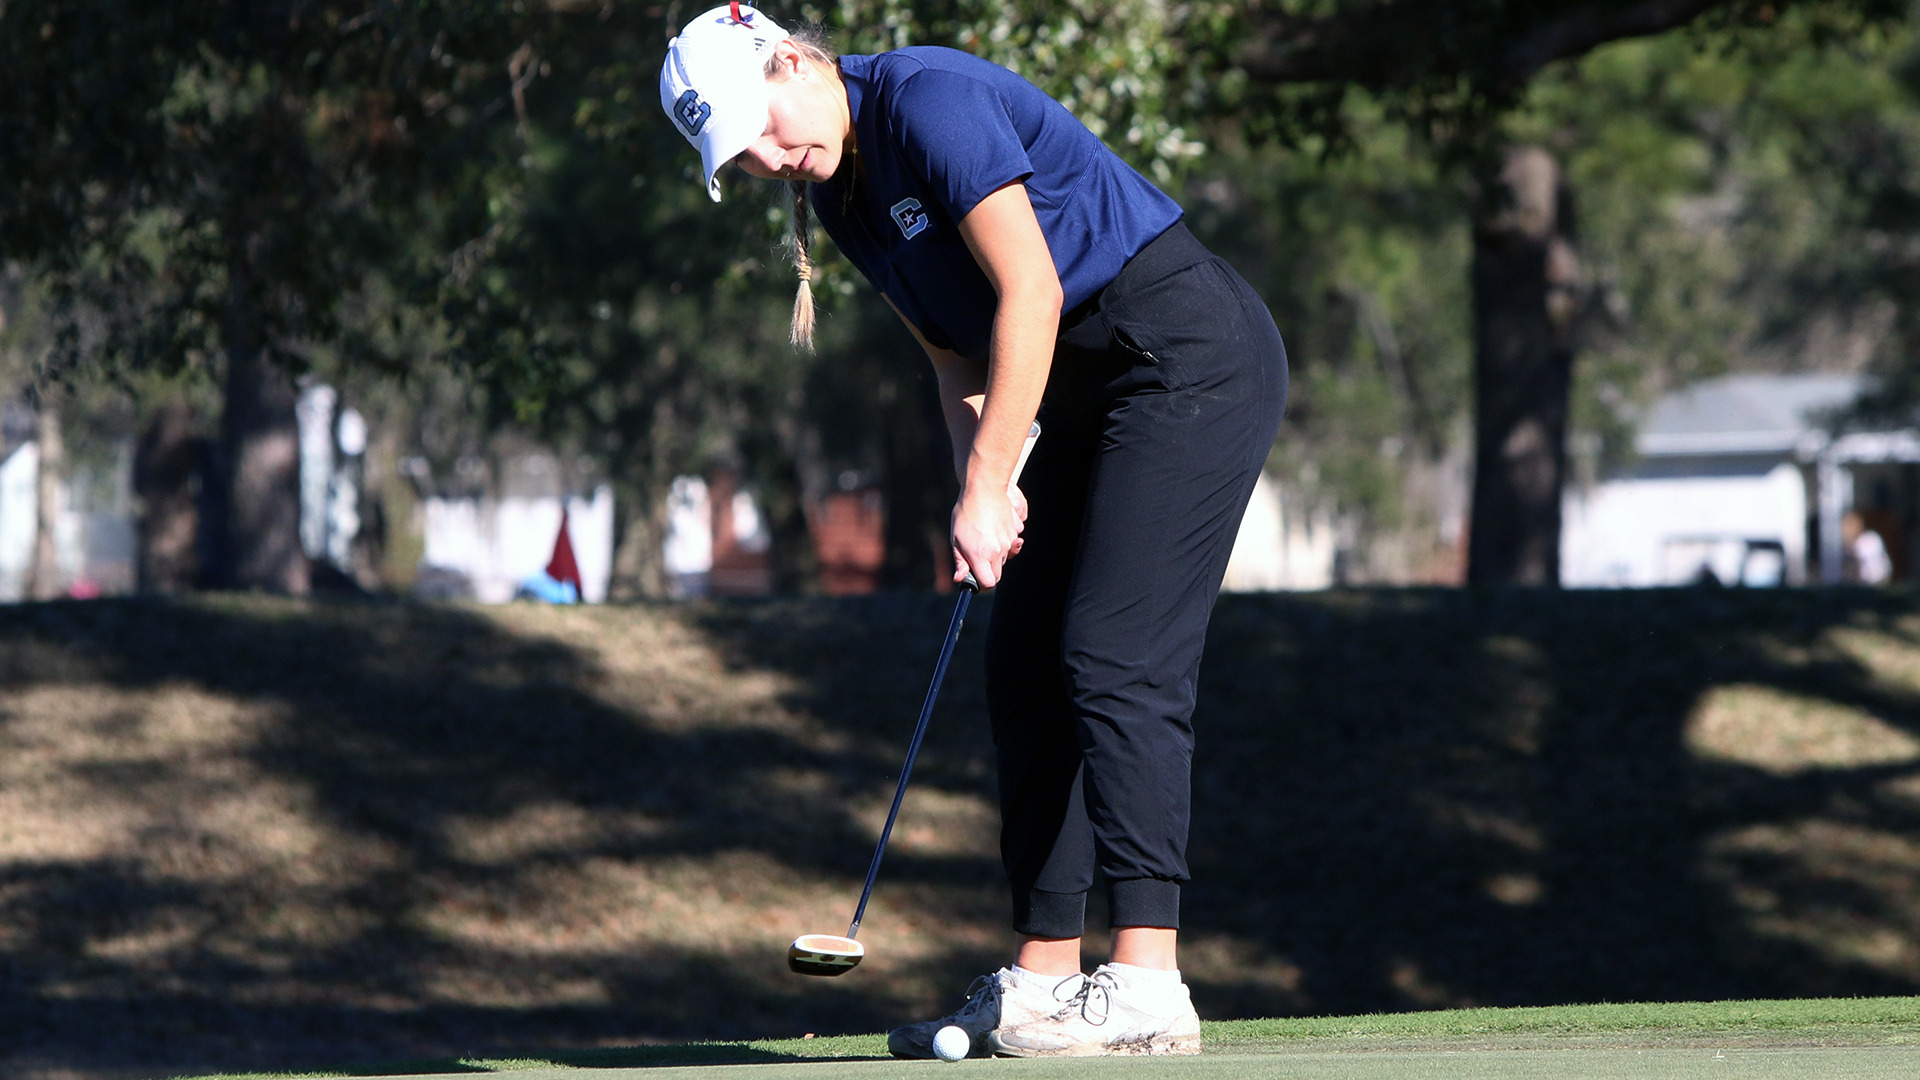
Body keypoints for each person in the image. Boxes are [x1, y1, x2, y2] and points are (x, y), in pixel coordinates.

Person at [661, 4, 1288, 1058]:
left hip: (1186, 360)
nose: (772, 159)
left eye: (763, 126)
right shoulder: (846, 190)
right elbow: (956, 357)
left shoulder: (927, 101)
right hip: (1088, 401)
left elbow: (1031, 292)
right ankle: (1043, 983)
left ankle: (1147, 983)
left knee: (1116, 654)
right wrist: (976, 493)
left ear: (798, 62)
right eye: (745, 156)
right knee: (1024, 664)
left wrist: (998, 477)